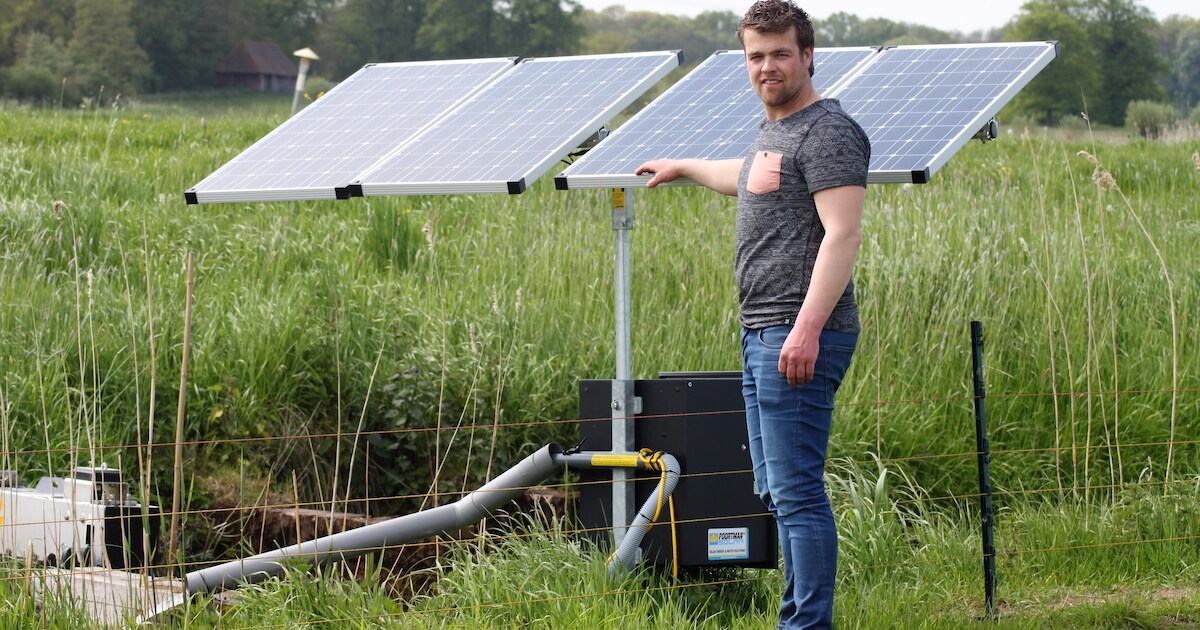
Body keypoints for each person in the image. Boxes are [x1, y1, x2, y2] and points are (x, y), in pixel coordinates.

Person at [635, 1, 869, 627]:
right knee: (774, 489)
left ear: (808, 55)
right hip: (762, 334)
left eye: (780, 54)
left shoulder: (828, 132)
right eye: (756, 56)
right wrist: (684, 166)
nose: (768, 67)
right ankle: (799, 617)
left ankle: (806, 623)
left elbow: (842, 235)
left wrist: (806, 329)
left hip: (797, 336)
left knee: (796, 493)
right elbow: (744, 177)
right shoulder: (776, 131)